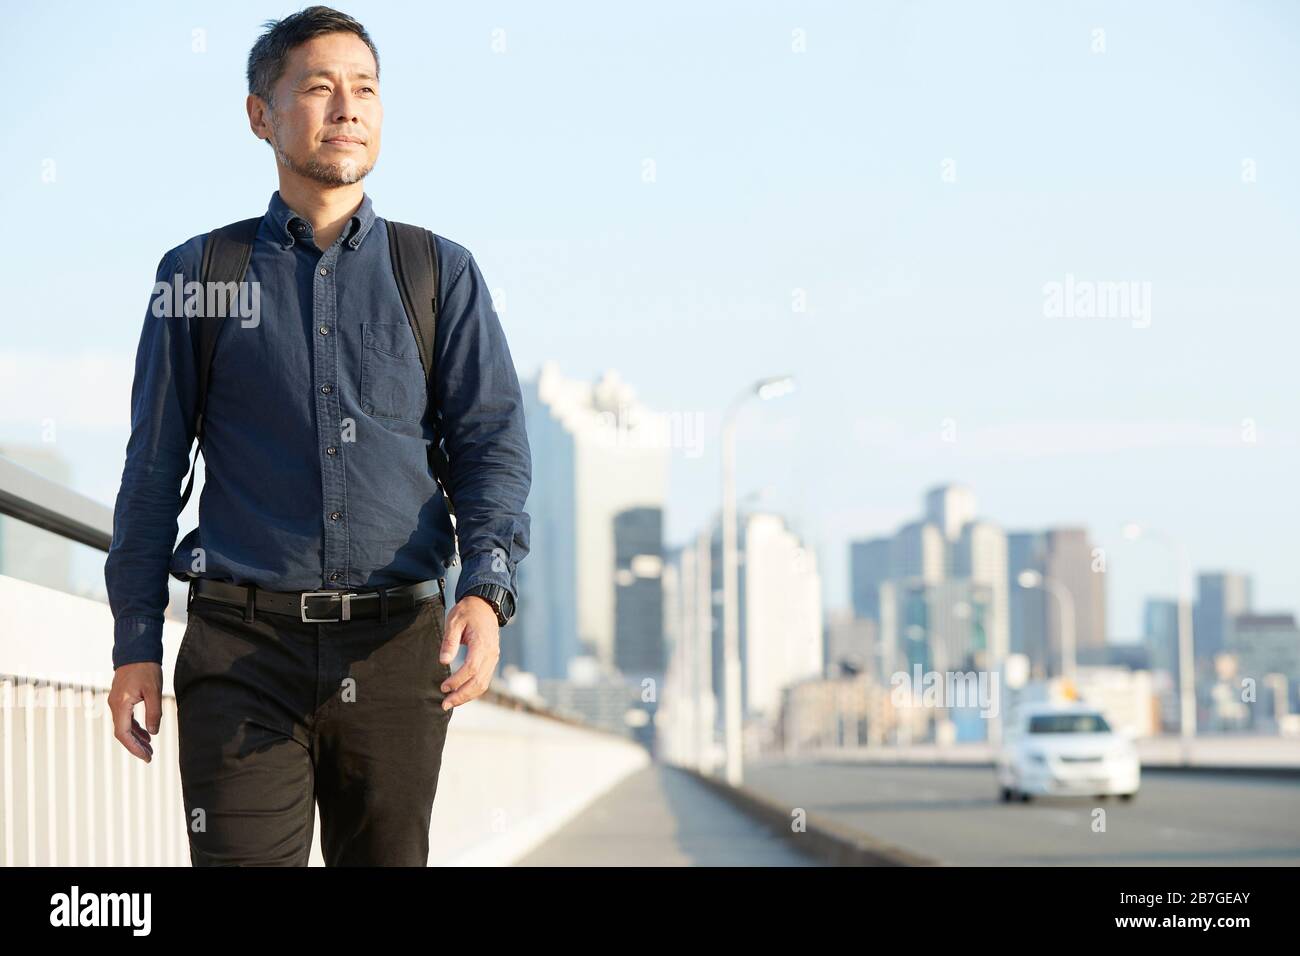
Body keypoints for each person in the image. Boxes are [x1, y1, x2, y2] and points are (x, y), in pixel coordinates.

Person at [103, 5, 532, 866]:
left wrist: (484, 593)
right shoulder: (200, 276)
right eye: (321, 88)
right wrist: (135, 644)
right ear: (261, 115)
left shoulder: (437, 271)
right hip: (240, 656)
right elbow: (154, 469)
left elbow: (490, 447)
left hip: (396, 654)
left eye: (366, 89)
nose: (348, 108)